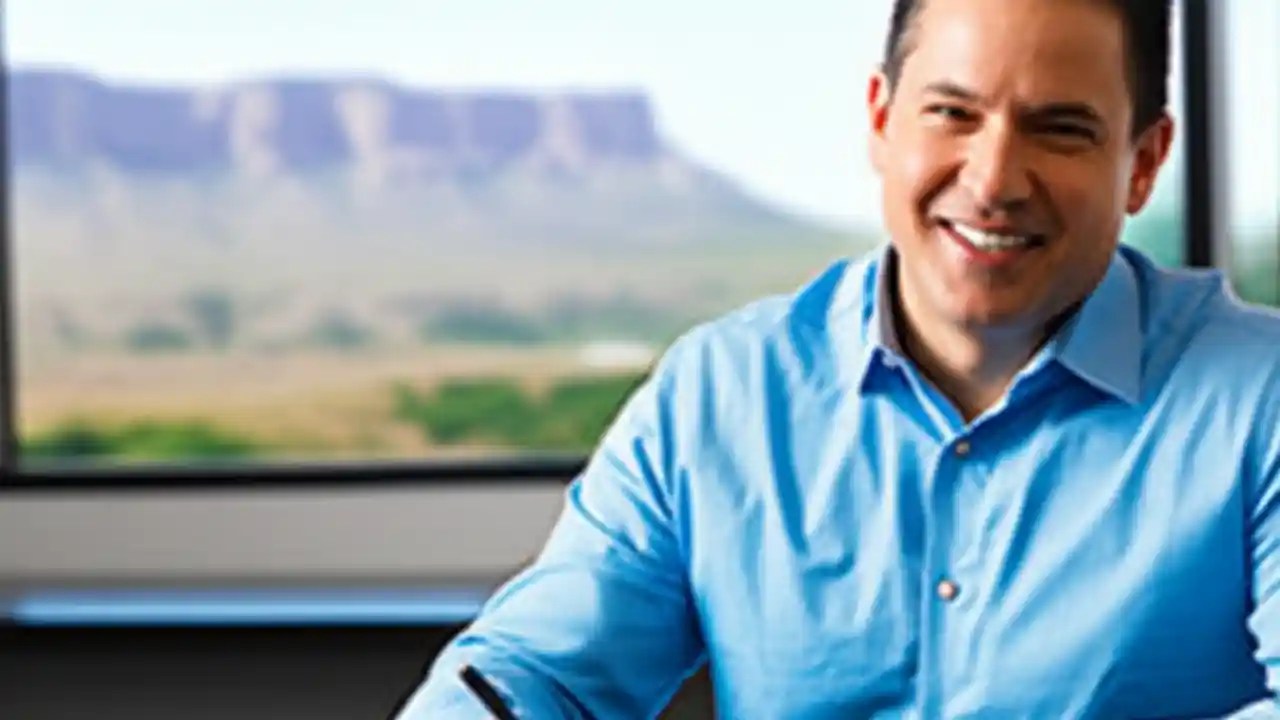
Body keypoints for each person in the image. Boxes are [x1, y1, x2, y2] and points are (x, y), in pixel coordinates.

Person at [397, 0, 1280, 716]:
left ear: (1143, 163)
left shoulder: (1260, 402)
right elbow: (538, 675)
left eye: (1060, 130)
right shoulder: (720, 396)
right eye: (952, 114)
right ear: (882, 120)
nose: (995, 178)